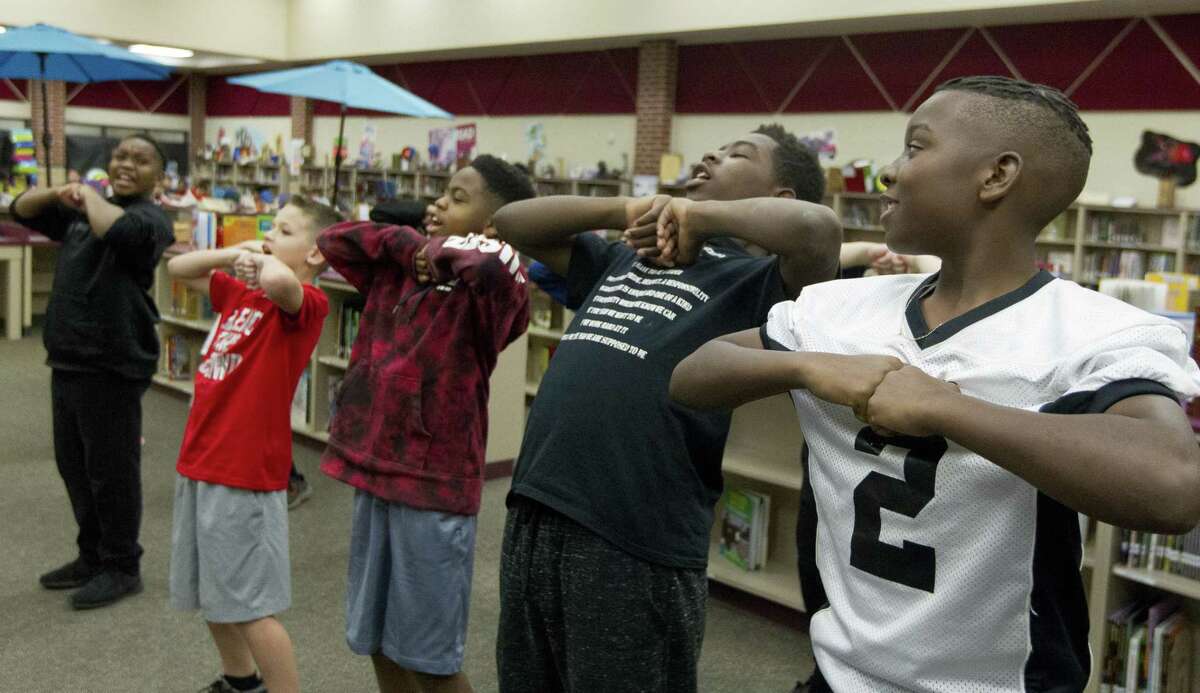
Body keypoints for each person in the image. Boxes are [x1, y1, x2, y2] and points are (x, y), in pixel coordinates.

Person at [669, 76, 1200, 692]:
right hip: (837, 674)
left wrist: (948, 409)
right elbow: (692, 377)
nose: (889, 173)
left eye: (915, 148)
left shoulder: (1093, 332)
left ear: (996, 176)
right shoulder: (840, 308)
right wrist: (809, 366)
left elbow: (1172, 487)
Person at [493, 124, 842, 692]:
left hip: (634, 535)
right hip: (538, 508)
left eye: (738, 155)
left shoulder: (760, 284)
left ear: (776, 198)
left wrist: (698, 218)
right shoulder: (627, 258)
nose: (711, 155)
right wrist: (634, 206)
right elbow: (513, 221)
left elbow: (817, 229)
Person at [318, 154, 534, 693]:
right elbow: (337, 239)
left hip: (433, 487)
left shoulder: (489, 289)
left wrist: (438, 253)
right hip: (375, 472)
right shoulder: (401, 267)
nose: (438, 202)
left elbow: (495, 265)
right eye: (442, 191)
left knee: (429, 658)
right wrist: (413, 248)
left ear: (493, 225)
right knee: (376, 641)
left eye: (458, 198)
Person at [165, 195, 340, 693]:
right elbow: (179, 266)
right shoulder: (240, 293)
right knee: (214, 593)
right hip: (201, 458)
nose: (270, 236)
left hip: (244, 470)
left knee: (251, 607)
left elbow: (284, 283)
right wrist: (229, 253)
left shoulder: (306, 303)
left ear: (316, 255)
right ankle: (241, 681)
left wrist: (262, 261)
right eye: (271, 227)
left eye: (285, 231)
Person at [10, 134, 173, 609]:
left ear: (158, 177)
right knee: (75, 467)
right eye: (120, 156)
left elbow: (117, 232)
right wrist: (62, 190)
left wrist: (91, 196)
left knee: (111, 471)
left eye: (141, 160)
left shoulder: (150, 219)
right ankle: (92, 555)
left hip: (113, 362)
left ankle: (122, 565)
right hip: (68, 356)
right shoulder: (85, 210)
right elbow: (22, 209)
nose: (127, 165)